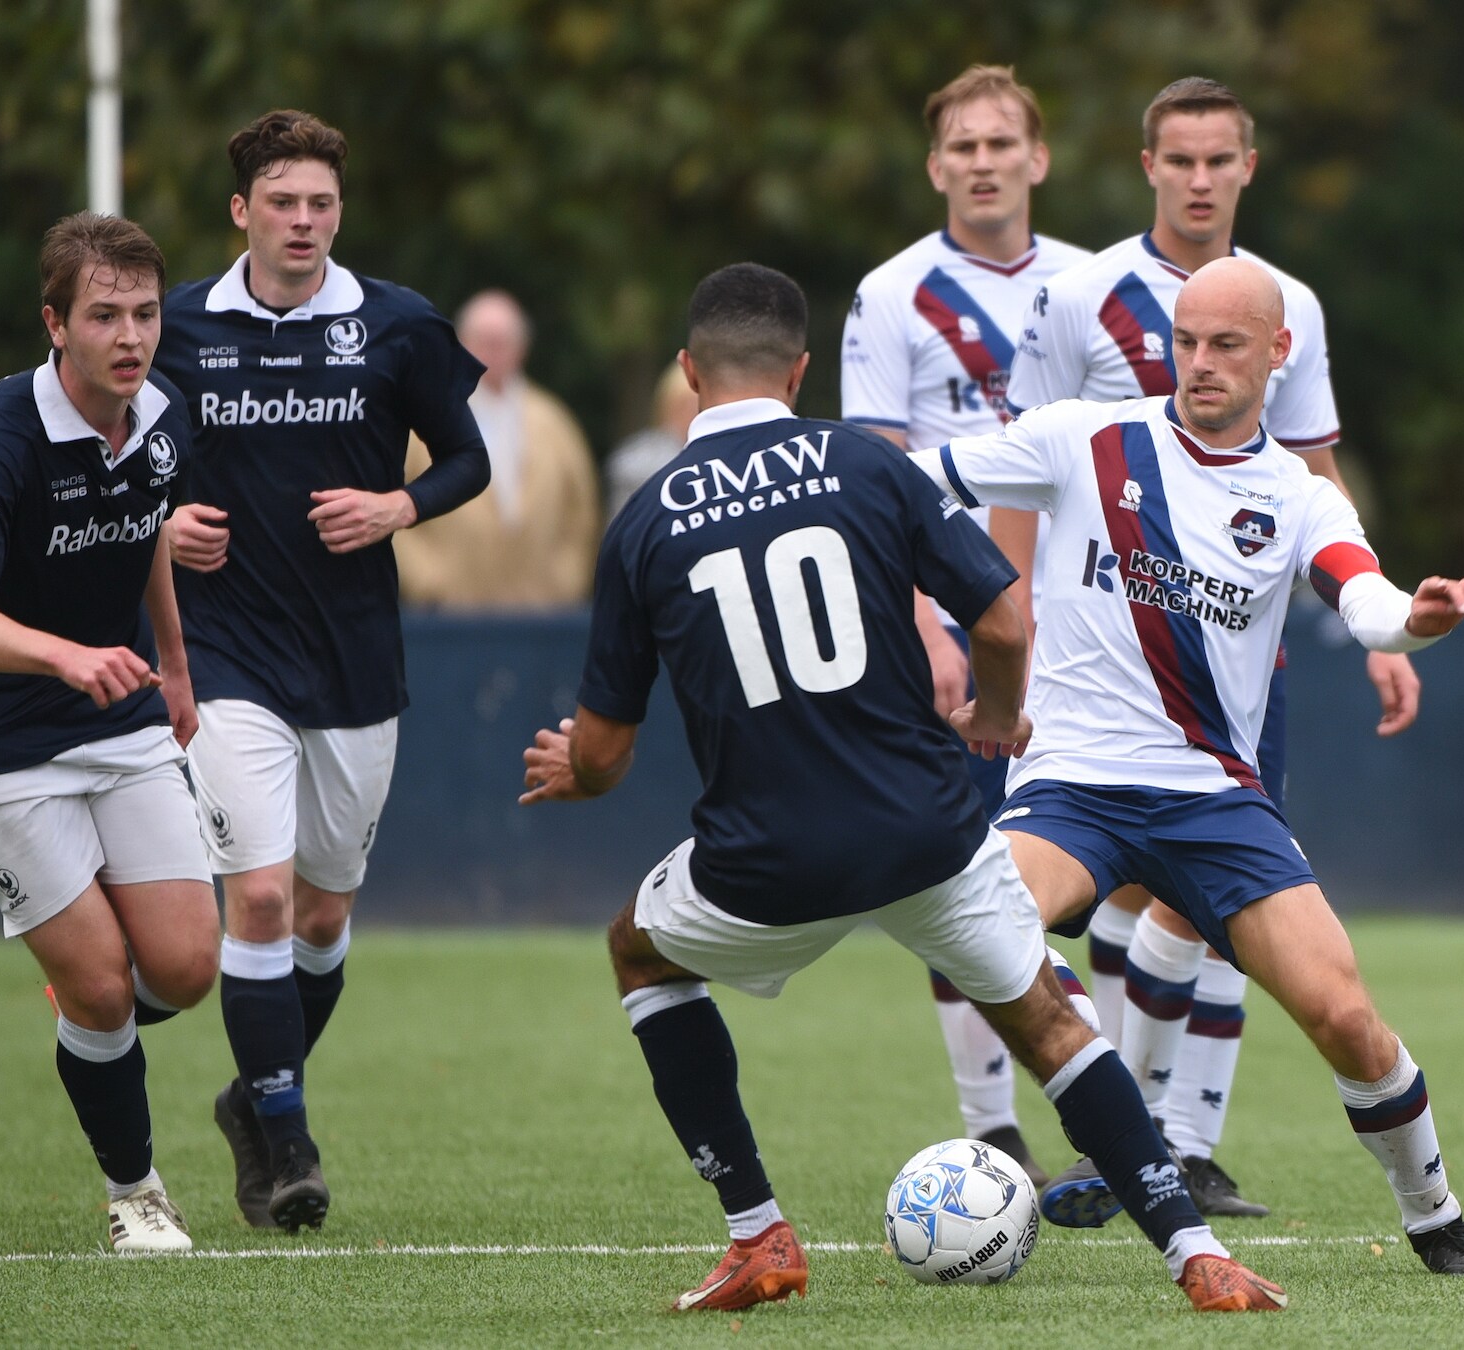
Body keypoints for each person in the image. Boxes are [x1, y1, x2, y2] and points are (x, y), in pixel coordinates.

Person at [520, 262, 1287, 1314]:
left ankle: (758, 1234)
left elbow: (604, 758)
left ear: (691, 374)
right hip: (928, 833)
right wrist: (995, 715)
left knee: (638, 951)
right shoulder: (865, 464)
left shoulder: (645, 521)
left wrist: (575, 772)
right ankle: (1197, 1253)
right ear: (799, 371)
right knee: (1054, 1028)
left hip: (766, 858)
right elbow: (1004, 620)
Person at [913, 256, 1464, 1276]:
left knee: (1345, 1018)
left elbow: (1362, 598)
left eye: (1226, 345)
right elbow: (918, 481)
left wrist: (1414, 621)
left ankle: (1436, 1215)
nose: (1199, 364)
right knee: (986, 932)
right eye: (1185, 342)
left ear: (1278, 352)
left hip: (1212, 800)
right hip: (1070, 786)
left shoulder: (1296, 494)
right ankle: (1123, 1119)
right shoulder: (1086, 438)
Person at [1003, 76, 1418, 1219]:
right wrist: (1001, 622)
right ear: (1148, 165)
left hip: (1233, 649)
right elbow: (1024, 467)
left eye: (1217, 161)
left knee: (1211, 899)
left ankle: (1181, 1141)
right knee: (1084, 893)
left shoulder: (1298, 306)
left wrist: (1378, 621)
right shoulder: (1079, 295)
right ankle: (1122, 1136)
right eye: (1177, 160)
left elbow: (1313, 475)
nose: (1197, 180)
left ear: (1247, 167)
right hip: (1094, 652)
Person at [154, 109, 491, 1232]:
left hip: (352, 655)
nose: (303, 221)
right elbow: (99, 456)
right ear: (240, 209)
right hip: (225, 650)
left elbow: (467, 460)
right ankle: (285, 1141)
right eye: (283, 202)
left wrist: (400, 504)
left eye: (322, 204)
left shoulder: (396, 325)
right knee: (256, 894)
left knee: (321, 913)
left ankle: (249, 1098)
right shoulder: (176, 328)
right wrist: (161, 525)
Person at [0, 212, 218, 1252]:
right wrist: (62, 653)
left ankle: (84, 1015)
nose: (131, 335)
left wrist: (174, 663)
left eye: (144, 313)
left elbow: (146, 530)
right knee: (103, 984)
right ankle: (135, 1194)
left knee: (186, 969)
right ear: (56, 324)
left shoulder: (163, 416)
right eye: (105, 315)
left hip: (120, 709)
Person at [840, 64, 1091, 1183]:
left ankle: (1142, 1119)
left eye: (1003, 143)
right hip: (949, 616)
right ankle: (995, 1119)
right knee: (960, 860)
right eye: (964, 146)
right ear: (937, 165)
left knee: (1123, 875)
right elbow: (877, 477)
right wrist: (924, 629)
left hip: (1086, 618)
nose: (984, 161)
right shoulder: (892, 294)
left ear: (1037, 159)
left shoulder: (1091, 285)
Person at [395, 289, 600, 610]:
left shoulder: (555, 423)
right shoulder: (425, 416)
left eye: (503, 341)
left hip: (539, 614)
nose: (493, 351)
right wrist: (426, 581)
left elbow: (582, 513)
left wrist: (565, 580)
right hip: (446, 615)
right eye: (484, 340)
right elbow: (388, 498)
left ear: (522, 348)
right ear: (460, 343)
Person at [604, 361, 696, 520]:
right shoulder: (635, 462)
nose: (693, 412)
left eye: (699, 403)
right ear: (666, 405)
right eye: (685, 404)